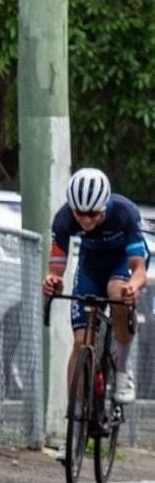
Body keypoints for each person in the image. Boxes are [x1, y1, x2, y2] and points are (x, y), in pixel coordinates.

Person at [43, 167, 148, 403]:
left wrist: (133, 287)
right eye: (80, 213)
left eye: (93, 213)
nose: (86, 220)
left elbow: (139, 270)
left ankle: (122, 369)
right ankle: (75, 417)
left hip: (122, 261)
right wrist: (53, 282)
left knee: (117, 291)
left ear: (104, 206)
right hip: (91, 265)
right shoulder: (64, 219)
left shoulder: (124, 212)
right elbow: (55, 270)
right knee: (81, 342)